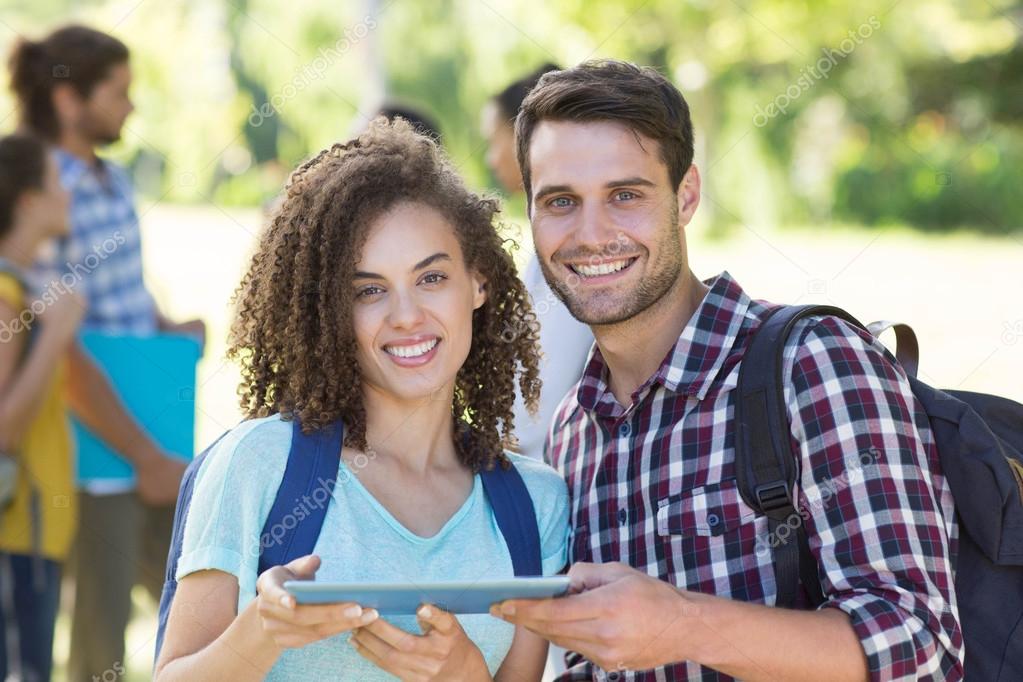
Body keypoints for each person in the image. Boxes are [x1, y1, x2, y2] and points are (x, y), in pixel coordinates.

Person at [490, 60, 963, 681]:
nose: (592, 233)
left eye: (625, 195)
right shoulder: (573, 432)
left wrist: (683, 624)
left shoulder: (813, 364)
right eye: (560, 202)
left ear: (686, 195)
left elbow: (921, 643)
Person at [154, 118, 569, 681]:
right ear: (330, 311)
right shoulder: (258, 465)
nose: (405, 316)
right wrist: (263, 629)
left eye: (431, 279)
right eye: (369, 290)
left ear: (478, 282)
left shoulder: (535, 502)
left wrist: (465, 673)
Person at [7, 25, 206, 681]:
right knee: (103, 635)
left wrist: (168, 328)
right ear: (70, 100)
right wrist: (142, 455)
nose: (129, 107)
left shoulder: (113, 179)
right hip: (99, 449)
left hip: (150, 427)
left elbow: (119, 297)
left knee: (196, 595)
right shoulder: (35, 194)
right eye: (117, 92)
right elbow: (59, 347)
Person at [0, 133, 81, 682]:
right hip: (14, 538)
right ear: (29, 202)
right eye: (56, 182)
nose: (68, 194)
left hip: (33, 537)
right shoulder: (7, 295)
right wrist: (55, 336)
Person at [482, 64, 593, 463]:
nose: (491, 157)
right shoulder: (542, 239)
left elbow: (540, 404)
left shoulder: (574, 250)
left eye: (493, 140)